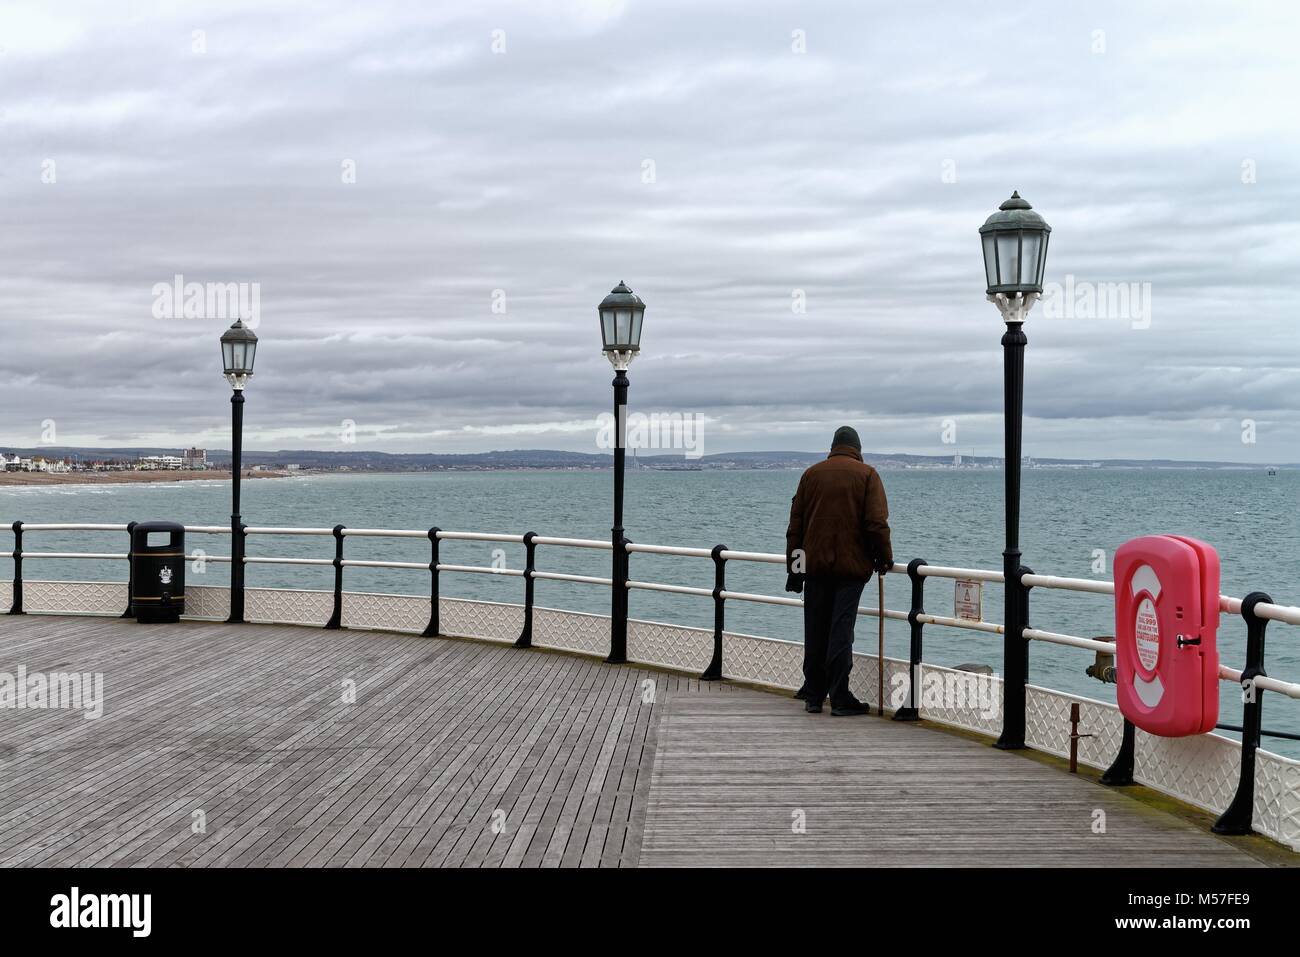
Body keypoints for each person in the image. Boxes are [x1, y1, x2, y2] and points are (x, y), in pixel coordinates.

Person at [785, 426, 894, 716]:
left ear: (832, 447)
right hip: (850, 569)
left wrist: (795, 571)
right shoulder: (868, 475)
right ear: (858, 449)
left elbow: (795, 528)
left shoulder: (810, 475)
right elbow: (876, 524)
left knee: (816, 629)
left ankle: (814, 695)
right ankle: (840, 696)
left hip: (815, 568)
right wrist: (885, 560)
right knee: (841, 630)